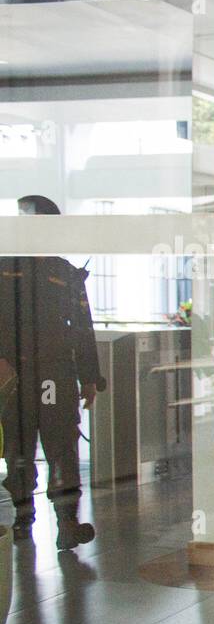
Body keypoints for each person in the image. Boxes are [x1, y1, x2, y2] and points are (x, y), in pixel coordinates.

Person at [1, 194, 104, 551]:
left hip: (56, 375)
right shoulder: (4, 268)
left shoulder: (64, 273)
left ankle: (67, 523)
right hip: (16, 376)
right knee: (19, 448)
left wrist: (91, 378)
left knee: (62, 448)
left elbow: (82, 328)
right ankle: (22, 518)